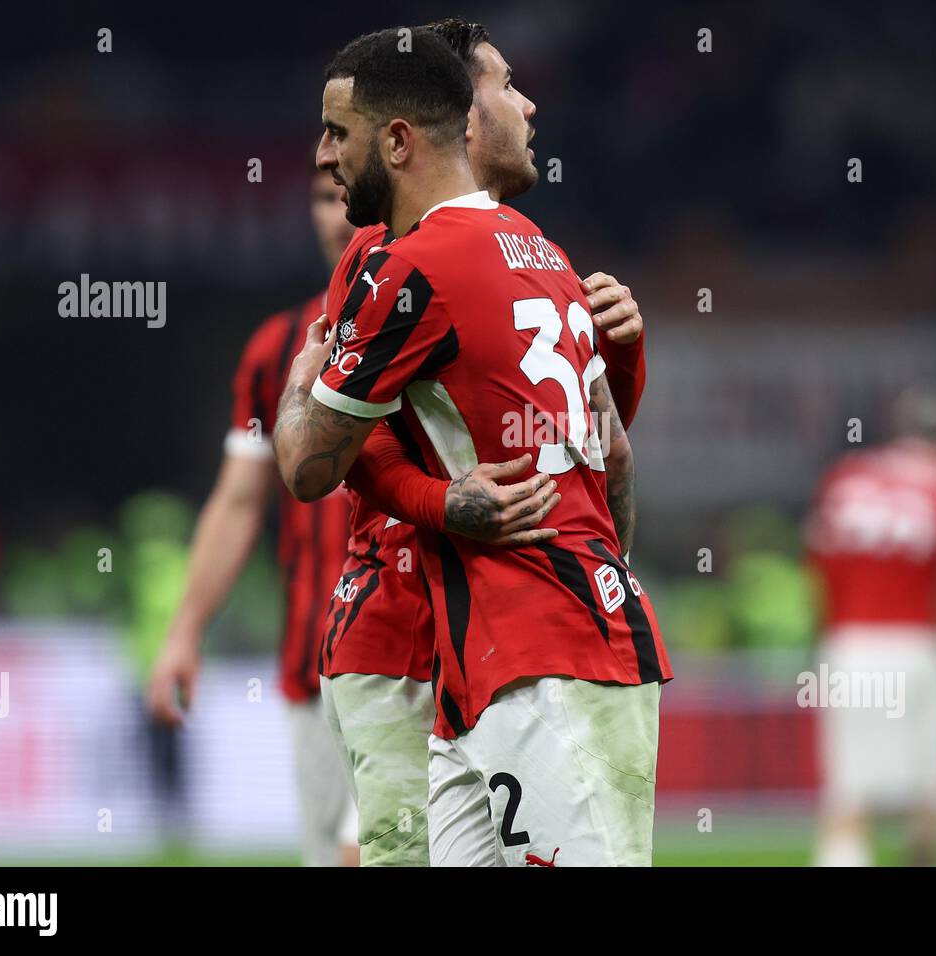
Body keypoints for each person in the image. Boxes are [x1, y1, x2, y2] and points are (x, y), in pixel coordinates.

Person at [273, 27, 670, 866]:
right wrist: (446, 503)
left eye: (336, 136)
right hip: (445, 634)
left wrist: (300, 383)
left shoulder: (436, 263)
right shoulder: (526, 256)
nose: (527, 105)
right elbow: (599, 456)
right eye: (506, 85)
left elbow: (313, 459)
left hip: (515, 633)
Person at [146, 169, 361, 866]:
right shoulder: (277, 350)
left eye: (352, 192)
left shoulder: (438, 326)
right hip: (311, 661)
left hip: (422, 663)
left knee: (376, 851)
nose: (338, 213)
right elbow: (238, 502)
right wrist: (184, 631)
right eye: (323, 196)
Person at [803, 382, 936, 866]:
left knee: (848, 800)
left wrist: (826, 646)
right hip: (921, 648)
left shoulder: (844, 479)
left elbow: (819, 574)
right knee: (933, 796)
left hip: (851, 646)